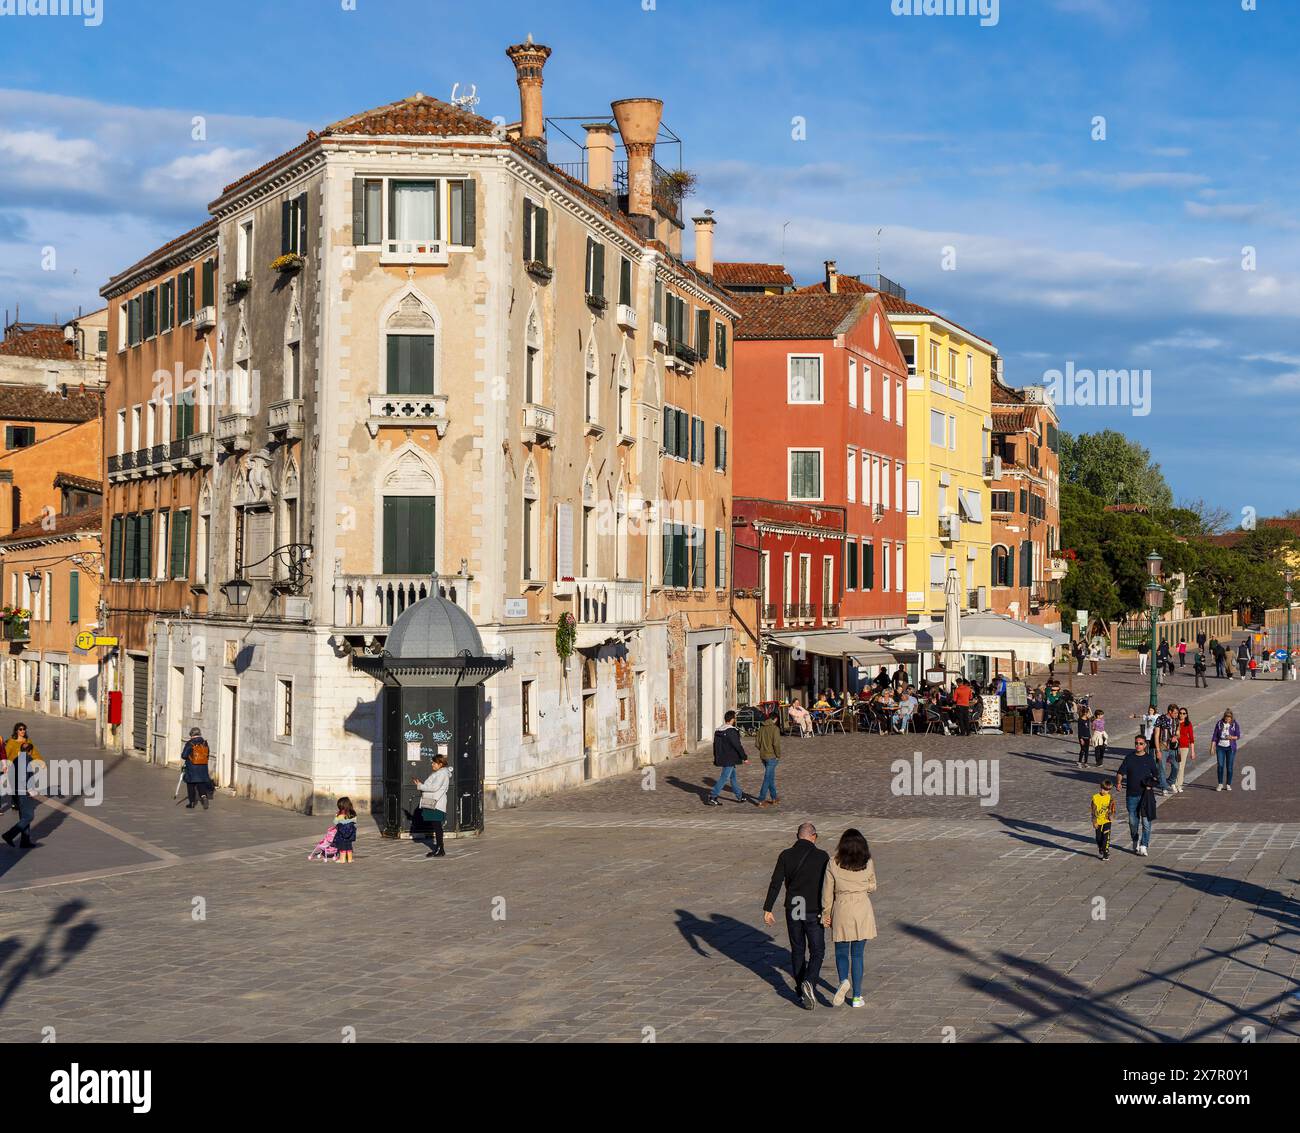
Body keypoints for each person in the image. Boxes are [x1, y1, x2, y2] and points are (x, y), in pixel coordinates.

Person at [763, 822, 830, 1010]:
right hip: (812, 908)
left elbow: (775, 882)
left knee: (798, 948)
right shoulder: (822, 856)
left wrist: (768, 908)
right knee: (817, 950)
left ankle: (801, 990)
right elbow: (828, 885)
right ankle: (809, 982)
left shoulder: (786, 855)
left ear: (796, 836)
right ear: (814, 836)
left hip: (794, 907)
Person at [821, 828, 878, 1009]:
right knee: (858, 954)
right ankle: (857, 996)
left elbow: (827, 893)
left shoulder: (833, 863)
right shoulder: (867, 862)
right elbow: (873, 886)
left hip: (842, 908)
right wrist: (862, 886)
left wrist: (826, 914)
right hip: (862, 908)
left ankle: (843, 980)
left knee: (841, 952)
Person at [1115, 735, 1159, 856]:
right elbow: (1120, 772)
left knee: (1146, 822)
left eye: (1140, 743)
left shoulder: (1149, 758)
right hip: (1132, 795)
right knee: (1133, 822)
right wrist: (1118, 782)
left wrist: (1151, 784)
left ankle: (1144, 845)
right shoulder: (1129, 758)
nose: (1138, 745)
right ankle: (1135, 840)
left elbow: (1156, 775)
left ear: (1145, 745)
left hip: (1146, 796)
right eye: (1136, 743)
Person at [2, 725, 42, 849]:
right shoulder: (26, 761)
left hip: (17, 791)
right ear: (29, 751)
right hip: (23, 792)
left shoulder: (17, 760)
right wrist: (30, 790)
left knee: (24, 816)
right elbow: (25, 778)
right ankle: (9, 835)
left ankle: (25, 840)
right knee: (29, 816)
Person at [707, 710, 748, 806]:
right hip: (730, 758)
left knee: (733, 778)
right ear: (732, 719)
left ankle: (740, 796)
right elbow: (737, 745)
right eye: (735, 718)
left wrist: (716, 757)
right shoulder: (731, 731)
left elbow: (715, 746)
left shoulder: (718, 730)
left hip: (724, 757)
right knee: (724, 778)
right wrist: (744, 757)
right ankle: (712, 796)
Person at [413, 754, 450, 856]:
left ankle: (440, 849)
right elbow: (432, 786)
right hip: (435, 802)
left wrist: (420, 786)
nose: (432, 764)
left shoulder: (442, 774)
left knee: (437, 826)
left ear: (440, 764)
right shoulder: (439, 773)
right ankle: (439, 848)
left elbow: (434, 787)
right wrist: (420, 785)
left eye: (434, 763)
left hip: (436, 803)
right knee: (436, 826)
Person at [180, 726, 213, 810]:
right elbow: (207, 755)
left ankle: (191, 803)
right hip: (203, 767)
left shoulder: (190, 743)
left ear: (191, 734)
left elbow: (184, 756)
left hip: (192, 768)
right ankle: (204, 796)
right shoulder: (205, 743)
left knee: (191, 785)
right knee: (201, 784)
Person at [755, 712, 782, 807]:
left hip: (763, 756)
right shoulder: (775, 729)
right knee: (767, 778)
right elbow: (776, 744)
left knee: (770, 777)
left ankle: (774, 798)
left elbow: (757, 744)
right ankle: (761, 799)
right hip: (772, 756)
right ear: (775, 719)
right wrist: (778, 755)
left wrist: (762, 750)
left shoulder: (761, 728)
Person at [1211, 710, 1241, 792]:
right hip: (1220, 747)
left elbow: (1238, 736)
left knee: (1229, 767)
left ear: (1231, 718)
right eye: (1226, 717)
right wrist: (1212, 747)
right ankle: (1220, 784)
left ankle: (1228, 784)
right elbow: (1214, 736)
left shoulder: (1235, 724)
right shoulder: (1219, 723)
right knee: (1220, 765)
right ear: (1224, 717)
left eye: (1229, 717)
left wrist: (1231, 737)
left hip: (1230, 748)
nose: (1228, 719)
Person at [1171, 706, 1196, 794]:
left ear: (1186, 715)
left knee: (1181, 767)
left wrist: (1192, 752)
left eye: (1183, 713)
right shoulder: (1174, 722)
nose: (1181, 715)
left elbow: (1192, 739)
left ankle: (1179, 785)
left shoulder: (1188, 724)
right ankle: (1173, 782)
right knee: (1174, 766)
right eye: (1180, 713)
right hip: (1174, 747)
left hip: (1184, 747)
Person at [1091, 778, 1116, 861]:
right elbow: (1093, 811)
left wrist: (1111, 815)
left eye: (1107, 790)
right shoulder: (1095, 797)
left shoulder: (1110, 798)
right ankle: (1101, 848)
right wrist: (1094, 821)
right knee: (1098, 838)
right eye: (1103, 789)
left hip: (1106, 820)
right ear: (1100, 787)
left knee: (1106, 837)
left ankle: (1106, 853)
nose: (1104, 791)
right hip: (1098, 821)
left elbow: (1112, 808)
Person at [332, 797, 358, 862]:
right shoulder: (353, 813)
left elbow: (335, 822)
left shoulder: (340, 815)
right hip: (350, 834)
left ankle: (342, 859)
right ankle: (350, 859)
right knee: (349, 846)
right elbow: (355, 821)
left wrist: (336, 816)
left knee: (342, 846)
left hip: (341, 834)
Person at [1075, 704, 1093, 768]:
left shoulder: (1087, 719)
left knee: (1087, 750)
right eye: (1087, 713)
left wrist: (1090, 737)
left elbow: (1092, 718)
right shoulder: (1080, 720)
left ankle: (1086, 763)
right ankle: (1079, 762)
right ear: (1085, 713)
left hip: (1087, 736)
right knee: (1083, 749)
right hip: (1082, 737)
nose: (1088, 714)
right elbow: (1080, 730)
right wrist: (1081, 738)